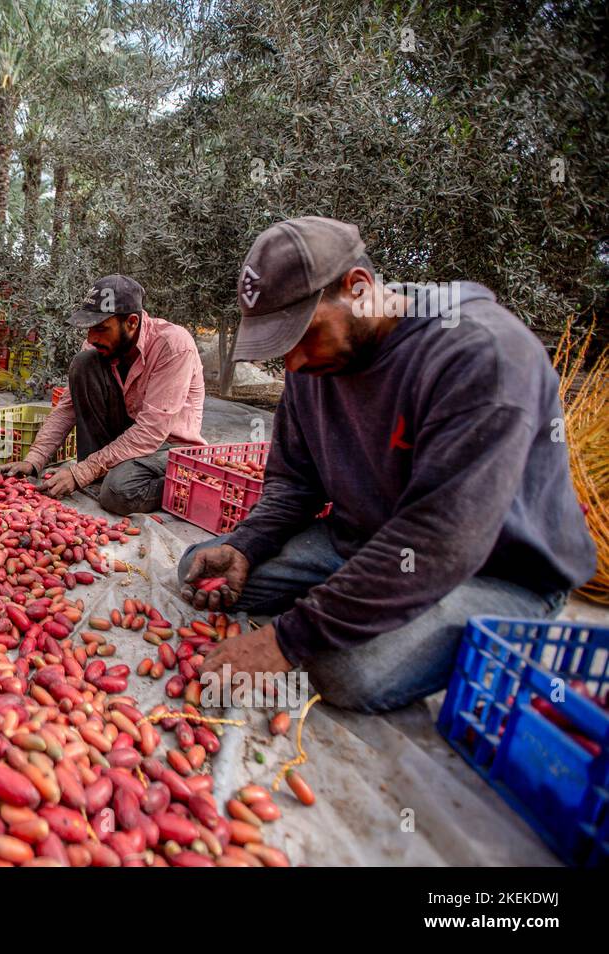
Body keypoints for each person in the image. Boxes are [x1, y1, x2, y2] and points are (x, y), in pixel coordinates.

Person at [178, 216, 597, 713]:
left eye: (302, 336)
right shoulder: (313, 363)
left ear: (359, 289)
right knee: (203, 570)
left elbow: (439, 539)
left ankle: (379, 610)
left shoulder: (481, 354)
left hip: (488, 570)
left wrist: (284, 641)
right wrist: (247, 545)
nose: (292, 364)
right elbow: (294, 482)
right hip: (365, 543)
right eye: (279, 348)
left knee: (344, 670)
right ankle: (359, 598)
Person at [0, 275, 206, 515]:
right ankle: (104, 473)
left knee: (118, 494)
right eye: (89, 329)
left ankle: (188, 481)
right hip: (127, 437)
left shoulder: (173, 346)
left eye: (101, 328)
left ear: (131, 323)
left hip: (167, 446)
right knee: (83, 362)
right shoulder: (98, 345)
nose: (91, 338)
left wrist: (82, 472)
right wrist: (34, 460)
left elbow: (151, 432)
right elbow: (67, 408)